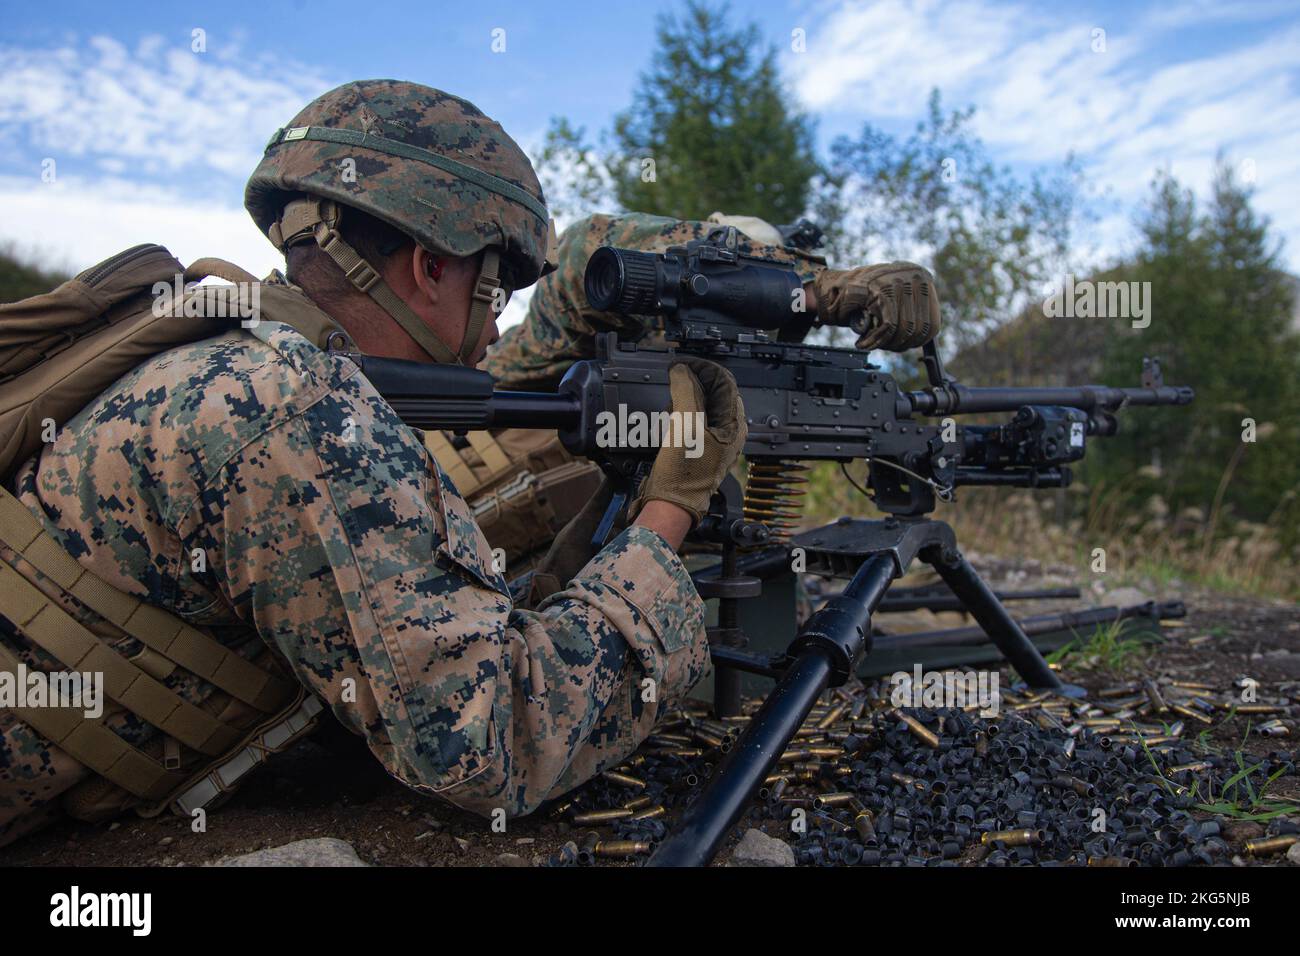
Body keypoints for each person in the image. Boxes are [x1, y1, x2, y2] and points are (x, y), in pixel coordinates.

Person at [0, 80, 748, 847]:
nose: (496, 327)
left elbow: (416, 632)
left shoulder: (217, 347)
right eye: (495, 290)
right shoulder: (303, 410)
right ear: (431, 267)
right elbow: (491, 747)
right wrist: (670, 509)